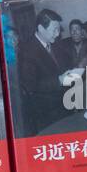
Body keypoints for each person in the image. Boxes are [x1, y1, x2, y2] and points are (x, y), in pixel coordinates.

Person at [14, 8, 71, 136]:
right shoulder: (26, 50)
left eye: (58, 30)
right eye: (54, 30)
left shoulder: (55, 44)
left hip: (63, 106)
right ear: (41, 28)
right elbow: (30, 85)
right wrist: (59, 80)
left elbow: (61, 67)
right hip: (44, 113)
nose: (57, 34)